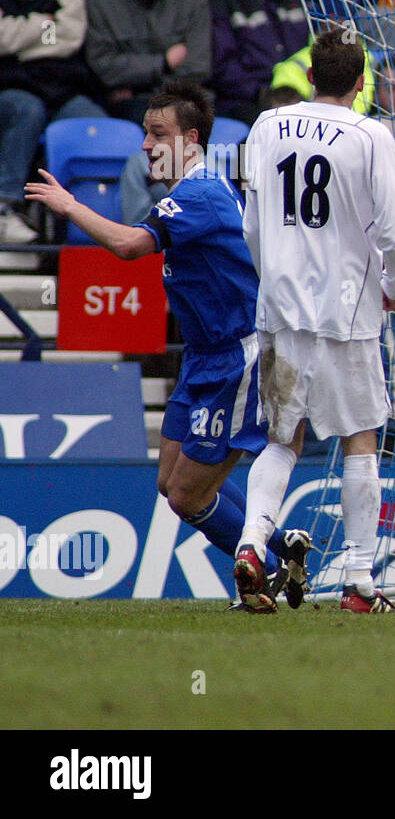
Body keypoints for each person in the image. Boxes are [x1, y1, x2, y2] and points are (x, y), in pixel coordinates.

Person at [24, 81, 311, 613]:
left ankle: (265, 577)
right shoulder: (188, 193)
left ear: (191, 139)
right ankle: (280, 543)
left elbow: (130, 246)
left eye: (158, 135)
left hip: (235, 360)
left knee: (187, 495)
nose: (146, 146)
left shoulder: (200, 194)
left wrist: (69, 205)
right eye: (144, 134)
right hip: (200, 358)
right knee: (168, 483)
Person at [236, 27, 395, 614]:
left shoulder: (268, 126)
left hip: (283, 310)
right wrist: (394, 287)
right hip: (348, 311)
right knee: (359, 439)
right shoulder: (371, 135)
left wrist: (274, 277)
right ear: (361, 82)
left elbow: (253, 221)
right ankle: (360, 581)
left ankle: (250, 544)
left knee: (281, 438)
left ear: (310, 76)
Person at [0, 0, 105, 243]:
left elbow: (72, 35)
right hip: (9, 87)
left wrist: (19, 38)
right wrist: (44, 25)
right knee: (26, 109)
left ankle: (97, 216)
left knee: (97, 124)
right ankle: (5, 207)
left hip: (56, 86)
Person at [209, 0, 310, 125]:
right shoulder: (223, 4)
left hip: (301, 96)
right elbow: (223, 67)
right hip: (250, 101)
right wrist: (261, 93)